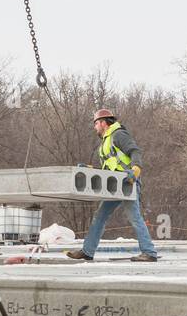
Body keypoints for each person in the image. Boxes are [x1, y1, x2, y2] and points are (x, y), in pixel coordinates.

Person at [66, 108, 159, 262]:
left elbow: (135, 151)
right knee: (100, 217)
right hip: (113, 185)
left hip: (127, 183)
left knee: (134, 217)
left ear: (103, 123)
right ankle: (87, 251)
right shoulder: (106, 140)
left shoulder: (118, 135)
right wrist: (90, 170)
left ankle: (149, 253)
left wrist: (135, 170)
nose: (94, 127)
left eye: (95, 124)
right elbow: (109, 167)